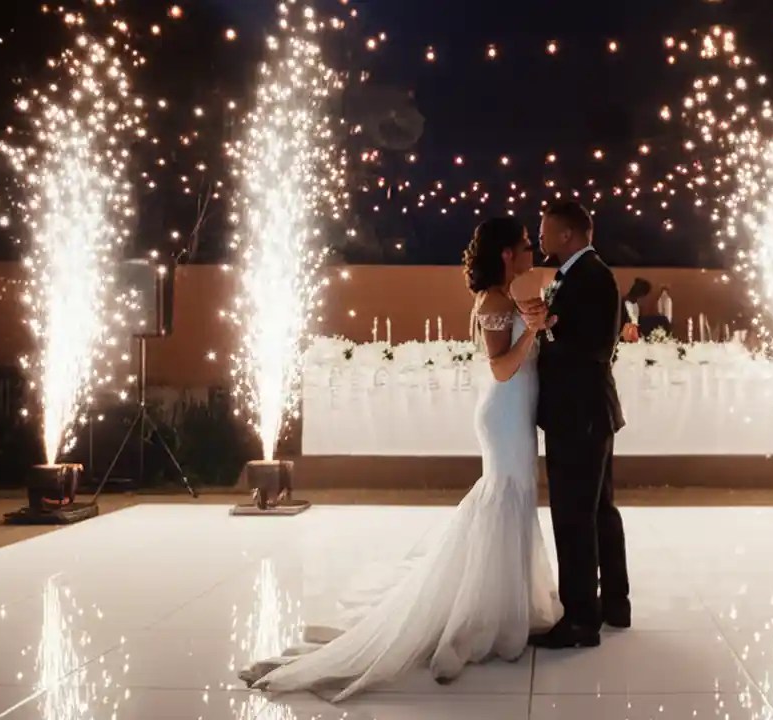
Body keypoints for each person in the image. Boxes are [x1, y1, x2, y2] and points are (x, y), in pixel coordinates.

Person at [239, 217, 560, 701]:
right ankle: (488, 615)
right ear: (505, 254)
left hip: (516, 414)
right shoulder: (494, 301)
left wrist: (540, 322)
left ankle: (502, 604)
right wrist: (532, 332)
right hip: (504, 413)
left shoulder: (507, 295)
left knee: (511, 499)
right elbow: (500, 368)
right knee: (504, 498)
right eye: (525, 245)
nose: (532, 252)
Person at [522, 200, 630, 649]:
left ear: (567, 234)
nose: (540, 236)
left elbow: (594, 348)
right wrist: (550, 323)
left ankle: (582, 618)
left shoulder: (592, 276)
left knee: (574, 516)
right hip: (587, 411)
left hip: (579, 413)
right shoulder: (580, 274)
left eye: (545, 229)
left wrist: (546, 327)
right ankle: (615, 604)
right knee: (599, 509)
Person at [619, 277, 651, 342]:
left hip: (633, 336)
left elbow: (637, 322)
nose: (642, 297)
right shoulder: (624, 303)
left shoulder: (635, 304)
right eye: (643, 295)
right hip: (624, 337)